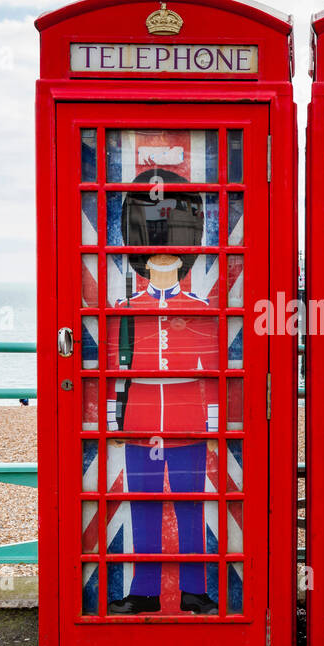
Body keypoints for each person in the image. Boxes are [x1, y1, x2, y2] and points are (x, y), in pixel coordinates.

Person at [105, 168, 220, 615]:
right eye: (155, 253)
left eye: (172, 253)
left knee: (191, 507)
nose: (163, 259)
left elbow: (211, 370)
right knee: (144, 507)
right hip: (140, 414)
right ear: (141, 258)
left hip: (188, 415)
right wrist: (116, 415)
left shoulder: (200, 309)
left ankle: (195, 589)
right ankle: (144, 590)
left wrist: (211, 417)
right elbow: (119, 368)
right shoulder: (127, 310)